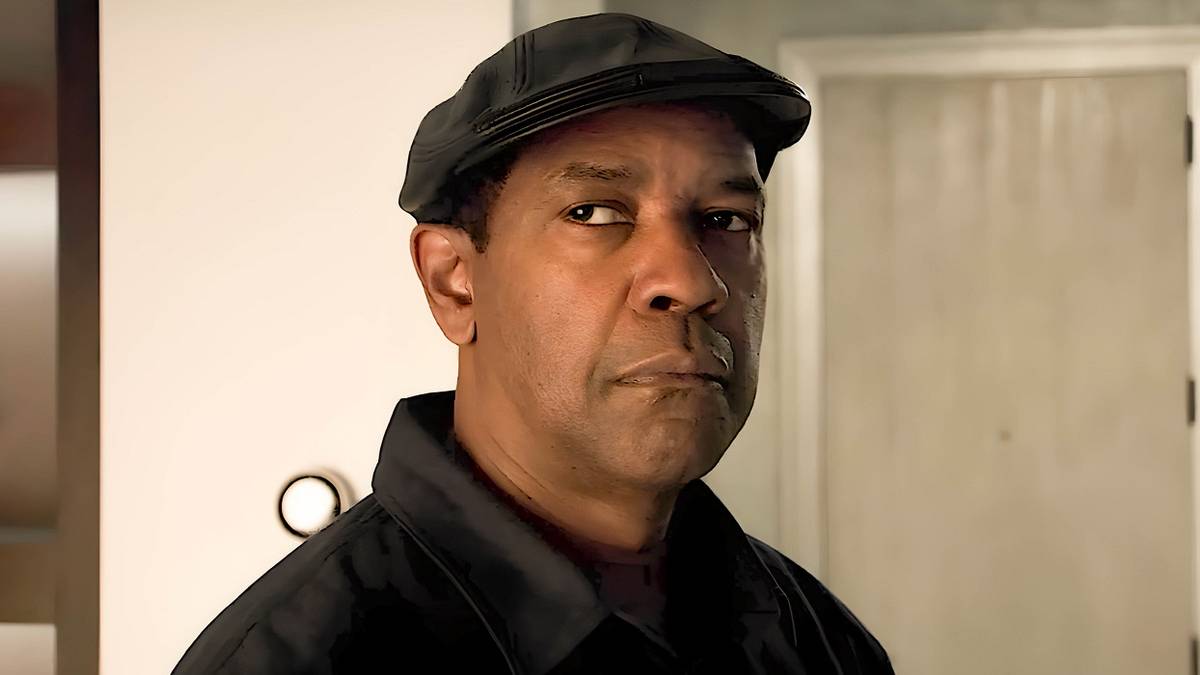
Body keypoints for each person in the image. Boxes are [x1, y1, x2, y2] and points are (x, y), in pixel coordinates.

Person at [173, 12, 894, 674]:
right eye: (595, 212)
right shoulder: (296, 660)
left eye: (726, 219)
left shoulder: (821, 643)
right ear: (454, 283)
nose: (690, 281)